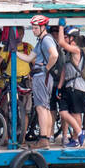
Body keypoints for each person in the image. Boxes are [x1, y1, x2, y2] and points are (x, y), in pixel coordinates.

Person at [54, 26, 85, 147]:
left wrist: (61, 27)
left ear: (72, 38)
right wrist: (59, 86)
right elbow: (64, 69)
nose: (64, 38)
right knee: (63, 112)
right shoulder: (69, 53)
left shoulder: (76, 50)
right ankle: (79, 133)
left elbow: (61, 42)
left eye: (67, 37)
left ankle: (76, 139)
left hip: (78, 86)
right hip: (68, 86)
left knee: (76, 113)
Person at [28, 15, 58, 148]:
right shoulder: (40, 41)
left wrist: (46, 69)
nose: (33, 30)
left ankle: (43, 139)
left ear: (43, 27)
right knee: (45, 108)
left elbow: (54, 55)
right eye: (32, 28)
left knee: (41, 108)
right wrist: (14, 52)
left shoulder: (46, 40)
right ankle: (46, 137)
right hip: (43, 77)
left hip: (42, 77)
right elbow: (29, 58)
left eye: (35, 28)